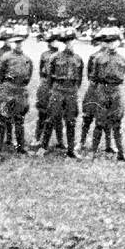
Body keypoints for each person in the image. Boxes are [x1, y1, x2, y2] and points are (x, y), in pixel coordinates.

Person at [38, 28, 83, 158]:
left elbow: (79, 78)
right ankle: (43, 147)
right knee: (51, 118)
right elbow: (49, 78)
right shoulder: (54, 57)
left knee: (71, 121)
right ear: (63, 43)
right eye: (66, 41)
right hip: (58, 90)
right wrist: (56, 89)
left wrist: (73, 90)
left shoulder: (78, 59)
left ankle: (71, 150)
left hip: (71, 91)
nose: (70, 44)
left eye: (72, 41)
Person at [85, 27, 125, 161]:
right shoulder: (98, 58)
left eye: (114, 41)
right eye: (109, 42)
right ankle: (93, 153)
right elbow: (93, 77)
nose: (111, 44)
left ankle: (121, 153)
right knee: (99, 122)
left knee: (117, 123)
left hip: (116, 91)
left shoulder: (122, 59)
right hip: (102, 90)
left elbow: (122, 76)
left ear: (119, 43)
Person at [0, 26, 33, 153]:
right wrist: (2, 91)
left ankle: (21, 147)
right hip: (8, 89)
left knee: (19, 120)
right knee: (3, 117)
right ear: (12, 43)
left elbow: (29, 76)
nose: (18, 45)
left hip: (20, 90)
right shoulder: (5, 57)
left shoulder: (27, 59)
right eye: (16, 42)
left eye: (20, 42)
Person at [32, 30, 63, 150]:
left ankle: (60, 141)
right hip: (45, 84)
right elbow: (41, 71)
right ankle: (37, 138)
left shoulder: (61, 55)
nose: (52, 43)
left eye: (55, 40)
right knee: (43, 113)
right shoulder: (44, 55)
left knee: (58, 114)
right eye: (50, 41)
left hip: (57, 85)